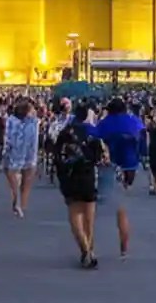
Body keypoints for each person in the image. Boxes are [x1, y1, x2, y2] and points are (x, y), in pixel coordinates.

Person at [55, 104, 108, 267]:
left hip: (70, 176)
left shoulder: (65, 133)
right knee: (89, 215)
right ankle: (90, 250)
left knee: (75, 214)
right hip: (88, 175)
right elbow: (100, 157)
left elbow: (57, 154)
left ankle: (85, 249)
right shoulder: (92, 132)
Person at [96, 98, 140, 258]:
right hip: (130, 166)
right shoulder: (133, 121)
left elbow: (96, 138)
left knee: (96, 206)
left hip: (110, 165)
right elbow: (141, 136)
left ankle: (89, 244)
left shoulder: (105, 123)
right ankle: (124, 247)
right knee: (122, 209)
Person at [3, 98, 40, 218]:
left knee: (12, 175)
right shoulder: (34, 122)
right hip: (30, 153)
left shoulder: (11, 121)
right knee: (27, 180)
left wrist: (6, 149)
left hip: (15, 152)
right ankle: (22, 204)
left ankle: (16, 198)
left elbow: (7, 137)